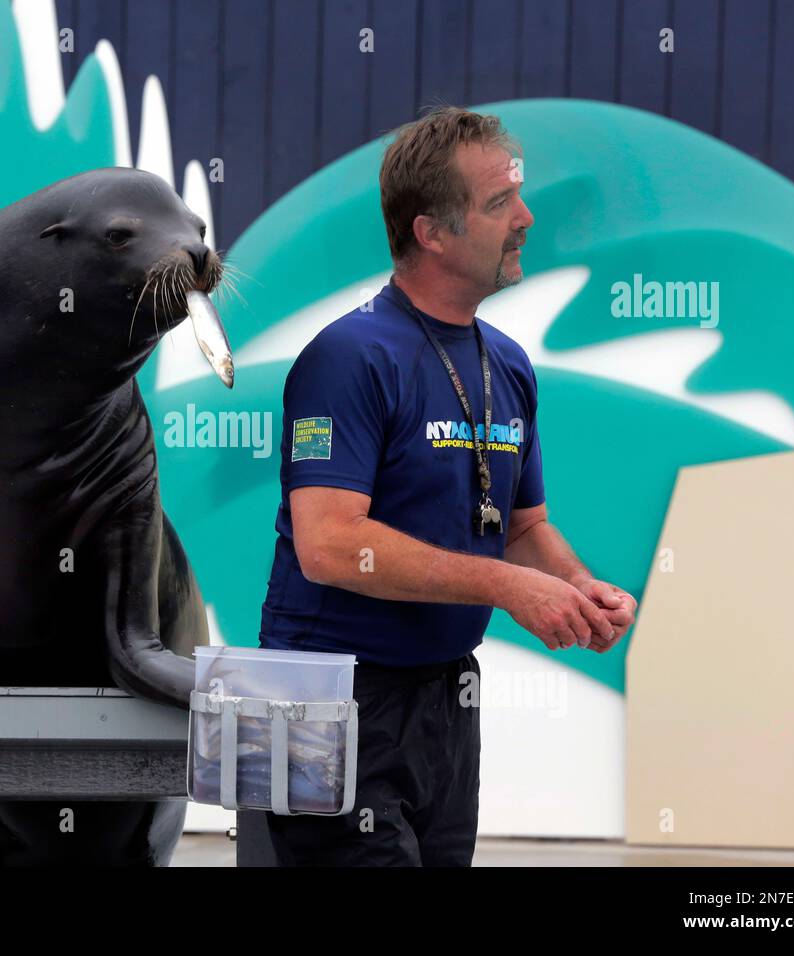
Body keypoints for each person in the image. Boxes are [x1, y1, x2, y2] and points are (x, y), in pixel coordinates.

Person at [257, 106, 637, 866]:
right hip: (331, 697)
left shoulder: (509, 363)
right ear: (431, 232)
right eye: (499, 204)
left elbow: (523, 526)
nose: (526, 218)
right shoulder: (349, 357)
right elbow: (328, 547)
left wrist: (574, 587)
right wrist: (503, 587)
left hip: (445, 701)